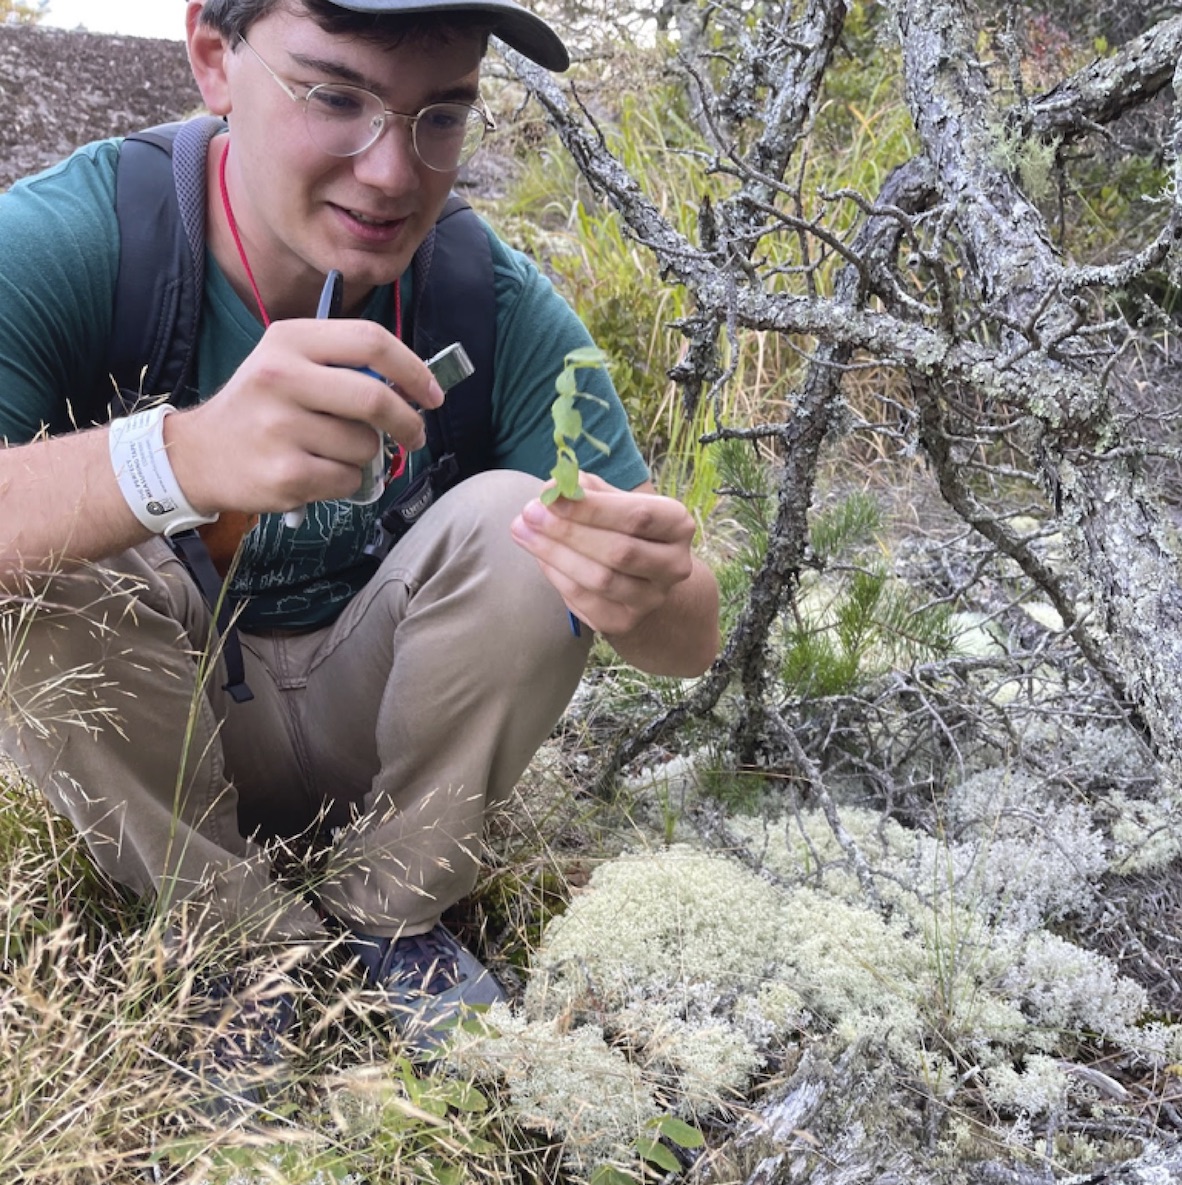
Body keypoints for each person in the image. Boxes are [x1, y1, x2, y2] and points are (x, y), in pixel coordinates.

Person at [0, 0, 720, 1066]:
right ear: (212, 56)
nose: (392, 172)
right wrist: (178, 457)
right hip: (157, 724)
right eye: (336, 96)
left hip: (376, 727)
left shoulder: (493, 301)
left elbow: (688, 642)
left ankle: (392, 913)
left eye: (441, 114)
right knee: (37, 569)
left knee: (518, 519)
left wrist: (648, 587)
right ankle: (232, 943)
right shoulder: (70, 244)